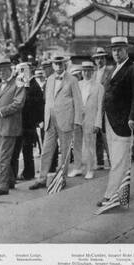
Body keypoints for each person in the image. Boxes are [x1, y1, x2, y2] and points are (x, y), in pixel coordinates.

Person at [97, 36, 134, 210]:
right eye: (114, 49)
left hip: (123, 121)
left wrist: (133, 117)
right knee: (121, 159)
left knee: (119, 159)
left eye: (120, 49)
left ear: (127, 50)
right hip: (110, 120)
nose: (116, 52)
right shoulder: (112, 70)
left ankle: (110, 195)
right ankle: (123, 193)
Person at [30, 55, 81, 189]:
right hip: (50, 120)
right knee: (46, 150)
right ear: (52, 65)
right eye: (55, 64)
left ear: (65, 64)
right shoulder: (50, 79)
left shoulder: (72, 80)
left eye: (60, 63)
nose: (58, 66)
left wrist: (76, 121)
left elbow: (78, 102)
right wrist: (44, 118)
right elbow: (47, 101)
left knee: (65, 151)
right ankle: (42, 178)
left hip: (65, 120)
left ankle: (61, 178)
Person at [0, 57, 27, 196]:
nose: (1, 73)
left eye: (4, 70)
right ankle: (9, 181)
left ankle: (2, 186)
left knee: (3, 157)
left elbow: (18, 104)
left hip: (10, 126)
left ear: (10, 70)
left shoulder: (18, 82)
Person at [76, 61, 103, 180]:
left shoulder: (99, 86)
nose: (86, 73)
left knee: (90, 144)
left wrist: (98, 123)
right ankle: (79, 167)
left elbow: (100, 106)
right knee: (78, 144)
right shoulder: (78, 84)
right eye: (84, 70)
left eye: (89, 71)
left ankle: (90, 169)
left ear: (93, 72)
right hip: (79, 119)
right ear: (81, 72)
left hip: (91, 118)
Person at [17, 60, 43, 181]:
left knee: (27, 149)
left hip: (29, 122)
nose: (21, 73)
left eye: (23, 70)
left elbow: (35, 105)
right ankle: (28, 171)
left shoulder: (33, 85)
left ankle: (29, 173)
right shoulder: (28, 84)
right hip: (26, 122)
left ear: (30, 71)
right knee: (26, 149)